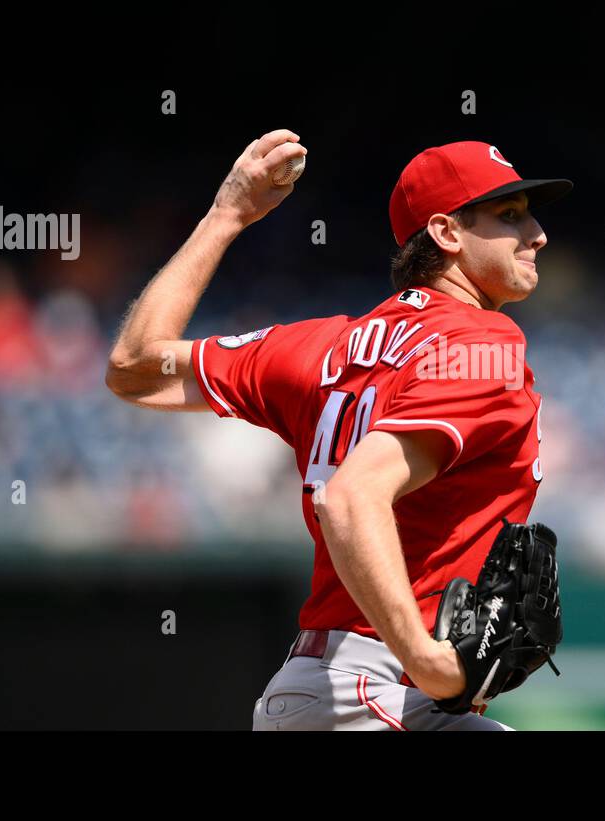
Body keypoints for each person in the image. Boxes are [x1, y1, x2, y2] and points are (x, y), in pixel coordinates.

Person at [105, 130, 571, 730]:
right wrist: (428, 660)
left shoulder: (319, 345)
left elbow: (135, 366)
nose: (537, 234)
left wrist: (225, 218)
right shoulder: (480, 342)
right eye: (509, 215)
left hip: (324, 694)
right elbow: (350, 496)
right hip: (376, 695)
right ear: (447, 232)